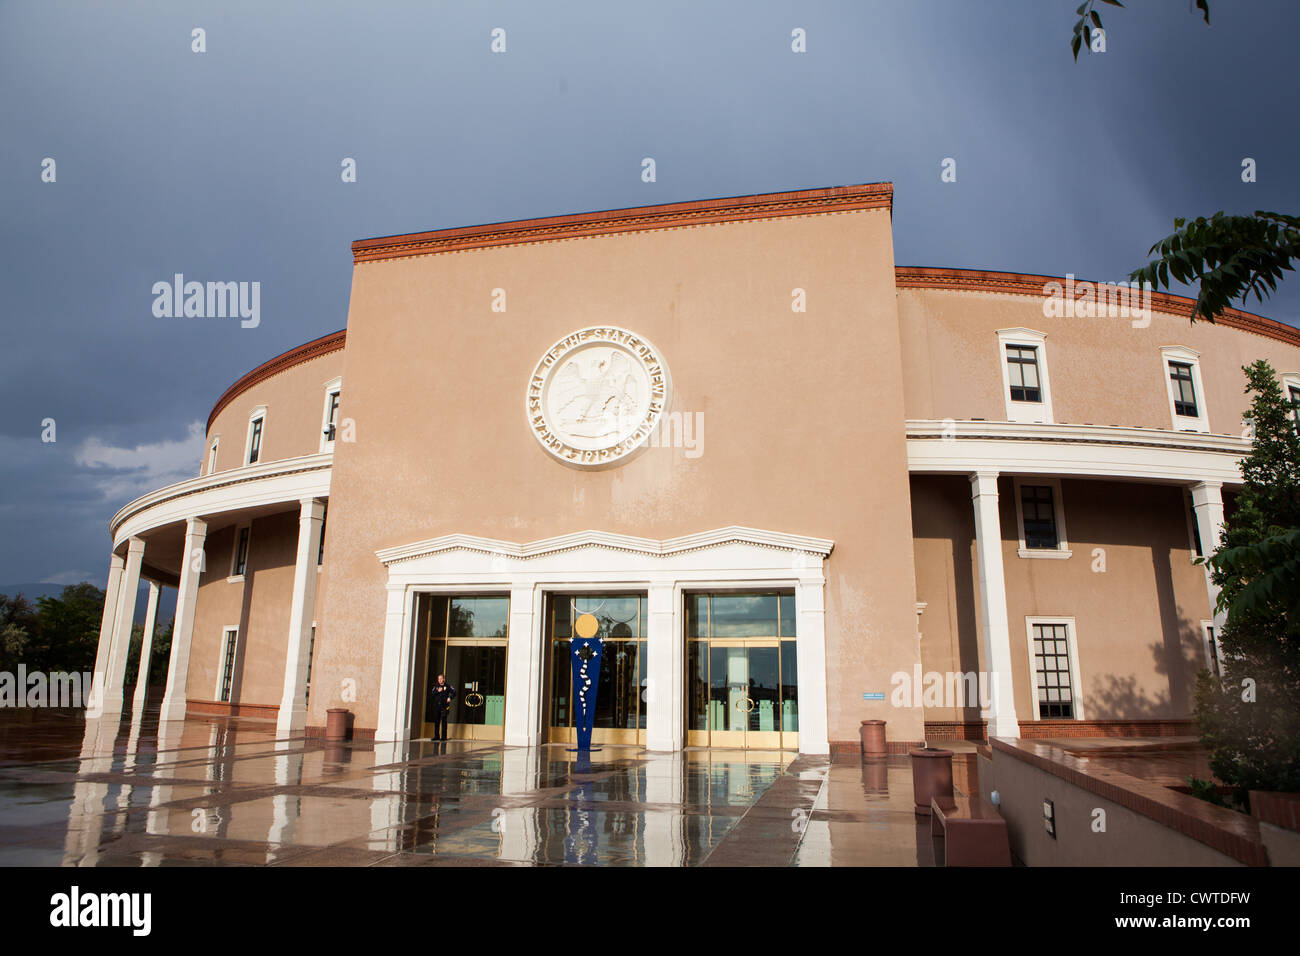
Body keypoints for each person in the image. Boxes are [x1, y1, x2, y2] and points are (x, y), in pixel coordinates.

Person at [429, 674, 456, 741]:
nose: (440, 680)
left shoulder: (448, 686)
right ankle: (436, 736)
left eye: (441, 679)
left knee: (444, 722)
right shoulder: (436, 687)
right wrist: (438, 691)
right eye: (439, 679)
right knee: (436, 722)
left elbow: (454, 692)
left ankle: (444, 737)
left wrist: (450, 697)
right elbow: (432, 694)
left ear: (443, 679)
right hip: (437, 706)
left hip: (444, 706)